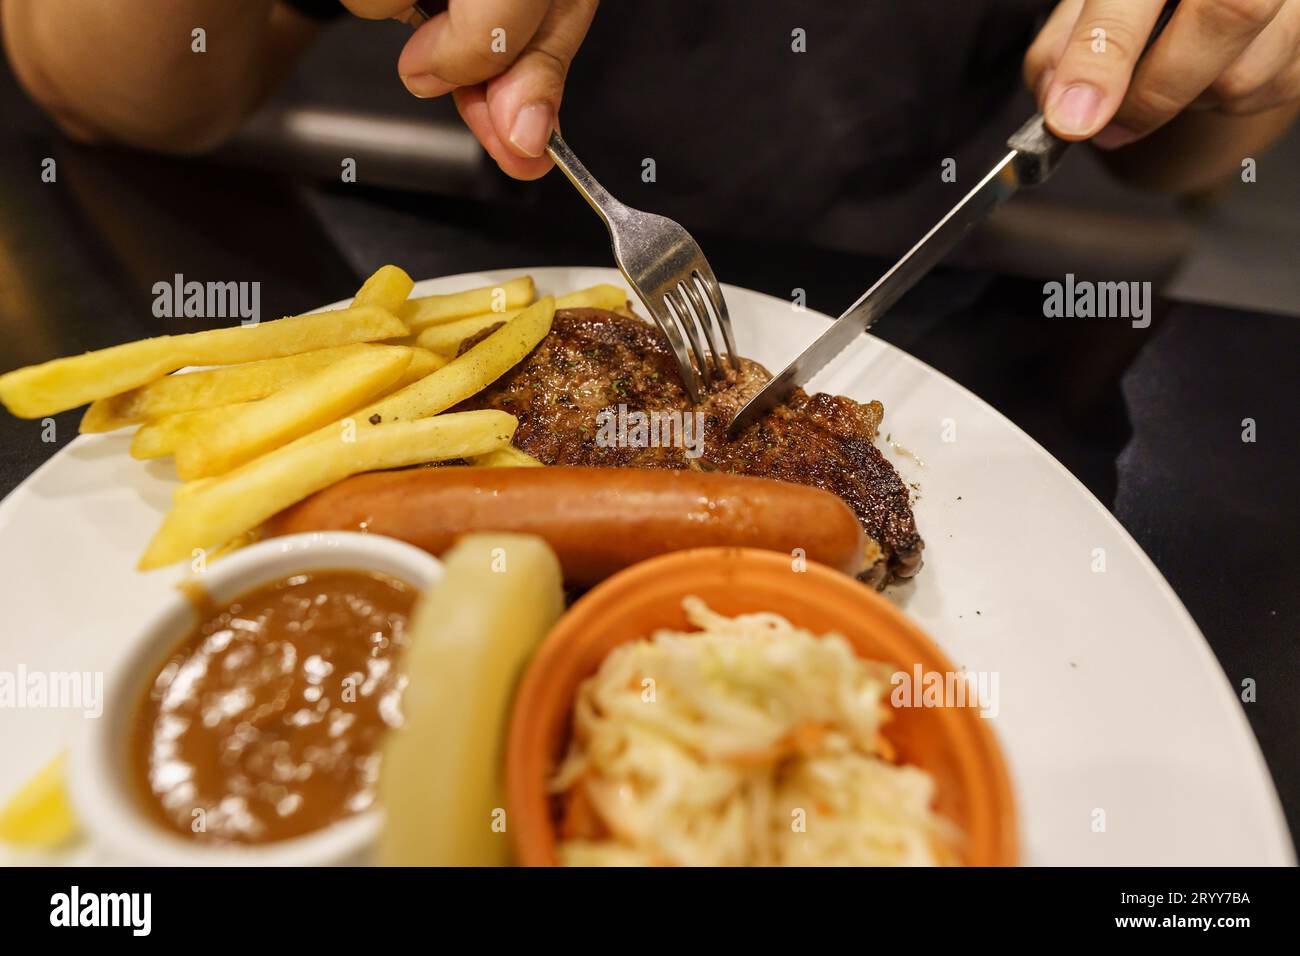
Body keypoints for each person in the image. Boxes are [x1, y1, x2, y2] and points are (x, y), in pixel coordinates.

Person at [4, 0, 1298, 244]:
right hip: (512, 269)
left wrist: (1247, 58)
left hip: (946, 318)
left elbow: (1181, 168)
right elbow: (102, 86)